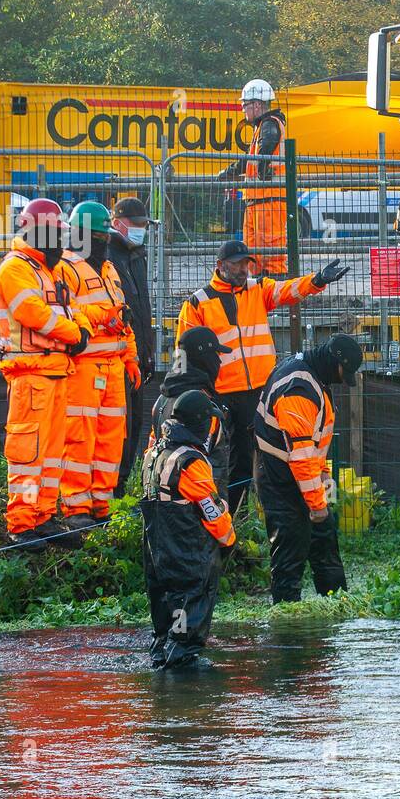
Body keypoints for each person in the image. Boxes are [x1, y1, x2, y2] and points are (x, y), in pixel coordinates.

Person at [175, 238, 349, 515]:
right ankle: (215, 514)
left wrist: (316, 281)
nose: (244, 269)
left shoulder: (257, 289)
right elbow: (184, 350)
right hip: (218, 393)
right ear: (220, 266)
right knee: (216, 456)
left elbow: (288, 289)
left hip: (257, 391)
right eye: (237, 264)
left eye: (247, 263)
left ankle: (239, 514)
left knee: (251, 458)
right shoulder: (198, 303)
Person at [0, 198, 93, 550]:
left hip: (56, 371)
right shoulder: (14, 268)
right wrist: (74, 334)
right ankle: (20, 525)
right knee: (28, 452)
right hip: (31, 374)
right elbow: (32, 313)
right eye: (54, 233)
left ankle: (44, 516)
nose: (60, 240)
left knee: (52, 452)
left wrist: (81, 331)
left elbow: (74, 309)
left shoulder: (50, 270)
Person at [253, 333, 363, 604]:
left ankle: (337, 601)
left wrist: (322, 479)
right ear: (334, 361)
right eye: (343, 372)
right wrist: (317, 505)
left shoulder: (311, 374)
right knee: (291, 543)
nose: (342, 379)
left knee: (323, 536)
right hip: (280, 474)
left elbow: (313, 443)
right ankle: (287, 614)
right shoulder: (300, 389)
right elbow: (301, 455)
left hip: (298, 470)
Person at [58, 201, 140, 531]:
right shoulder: (65, 268)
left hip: (114, 367)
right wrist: (103, 318)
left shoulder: (108, 270)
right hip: (83, 367)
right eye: (97, 235)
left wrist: (130, 356)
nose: (103, 241)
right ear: (79, 235)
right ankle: (76, 506)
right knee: (79, 438)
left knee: (109, 439)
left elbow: (122, 317)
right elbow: (67, 314)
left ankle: (101, 503)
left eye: (104, 235)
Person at [140, 389, 236, 670]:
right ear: (199, 423)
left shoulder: (153, 453)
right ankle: (183, 659)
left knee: (162, 601)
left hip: (154, 550)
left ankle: (162, 652)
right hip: (186, 548)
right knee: (193, 593)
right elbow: (211, 511)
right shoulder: (191, 461)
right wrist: (228, 541)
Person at [107, 196, 155, 491]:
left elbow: (142, 307)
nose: (140, 230)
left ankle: (120, 485)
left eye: (143, 225)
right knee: (118, 427)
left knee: (134, 423)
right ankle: (110, 488)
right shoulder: (106, 254)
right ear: (116, 223)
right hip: (117, 357)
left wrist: (146, 353)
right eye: (135, 224)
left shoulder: (136, 254)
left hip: (136, 356)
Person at [148, 326, 231, 495]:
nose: (219, 362)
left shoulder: (162, 399)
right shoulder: (201, 407)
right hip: (197, 509)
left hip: (161, 501)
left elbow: (151, 451)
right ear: (204, 358)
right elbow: (205, 469)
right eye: (216, 355)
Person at [218, 79, 288, 276]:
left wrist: (263, 166)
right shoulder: (261, 128)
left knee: (271, 253)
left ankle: (276, 292)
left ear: (257, 104)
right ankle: (259, 291)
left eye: (245, 105)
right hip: (258, 201)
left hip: (269, 201)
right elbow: (250, 159)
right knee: (254, 254)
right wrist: (231, 171)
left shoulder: (270, 125)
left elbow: (265, 148)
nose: (243, 109)